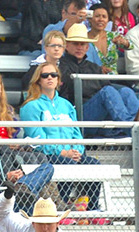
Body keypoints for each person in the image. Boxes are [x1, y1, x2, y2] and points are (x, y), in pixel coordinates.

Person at [20, 63, 103, 208]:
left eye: (54, 75)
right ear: (38, 80)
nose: (50, 78)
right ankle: (59, 205)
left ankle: (91, 209)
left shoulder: (67, 105)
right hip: (45, 154)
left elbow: (77, 133)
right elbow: (37, 139)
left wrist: (77, 151)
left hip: (71, 153)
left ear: (59, 80)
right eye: (45, 75)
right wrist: (63, 152)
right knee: (67, 164)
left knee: (94, 165)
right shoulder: (30, 106)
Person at [0, 104, 57, 212]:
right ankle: (25, 191)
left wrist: (19, 174)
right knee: (33, 203)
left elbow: (16, 165)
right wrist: (6, 178)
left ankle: (23, 186)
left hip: (17, 189)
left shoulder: (1, 143)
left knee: (47, 167)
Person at [60, 23, 139, 133]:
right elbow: (72, 88)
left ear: (87, 47)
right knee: (107, 92)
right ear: (67, 46)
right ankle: (136, 129)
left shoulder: (94, 67)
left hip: (98, 114)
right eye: (75, 44)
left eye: (82, 44)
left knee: (126, 91)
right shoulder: (61, 66)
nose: (79, 47)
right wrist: (97, 90)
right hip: (77, 116)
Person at [42, 0, 101, 66]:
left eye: (81, 15)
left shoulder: (86, 39)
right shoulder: (50, 29)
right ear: (63, 13)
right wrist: (75, 21)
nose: (78, 18)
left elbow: (98, 66)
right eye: (73, 14)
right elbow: (48, 59)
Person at [89, 3, 132, 74]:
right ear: (90, 19)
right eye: (97, 16)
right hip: (93, 80)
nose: (101, 19)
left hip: (114, 79)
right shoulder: (84, 39)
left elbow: (131, 46)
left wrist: (124, 42)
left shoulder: (113, 36)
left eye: (104, 17)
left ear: (108, 20)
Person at [22, 30, 65, 97]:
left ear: (63, 49)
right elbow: (27, 92)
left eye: (60, 46)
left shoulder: (66, 67)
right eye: (53, 45)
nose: (56, 49)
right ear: (45, 48)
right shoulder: (34, 69)